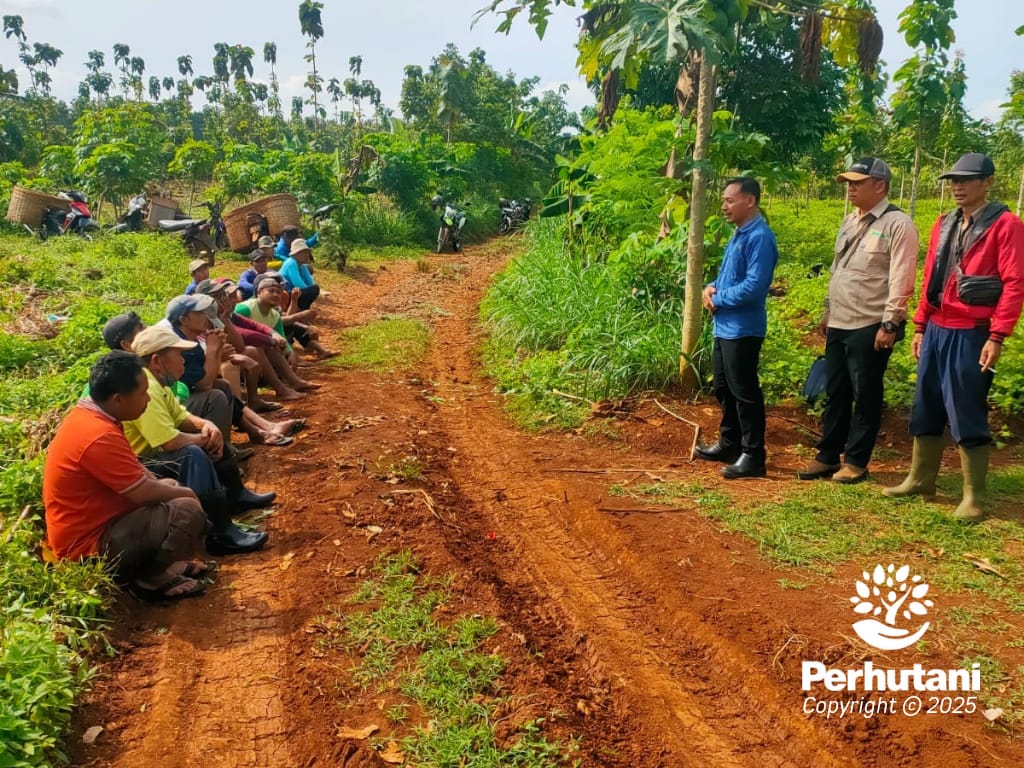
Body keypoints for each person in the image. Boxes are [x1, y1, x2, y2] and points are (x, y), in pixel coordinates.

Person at [884, 153, 1024, 520]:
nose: (957, 187)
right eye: (953, 181)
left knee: (966, 407)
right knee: (927, 403)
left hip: (972, 331)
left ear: (988, 182)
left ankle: (973, 496)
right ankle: (920, 478)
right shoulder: (944, 223)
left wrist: (997, 335)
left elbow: (1014, 283)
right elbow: (932, 276)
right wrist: (920, 325)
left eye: (966, 180)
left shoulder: (1006, 225)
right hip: (936, 328)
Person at [43, 351, 209, 601]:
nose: (148, 399)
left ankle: (160, 566)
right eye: (142, 393)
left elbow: (140, 475)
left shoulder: (94, 418)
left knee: (170, 487)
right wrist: (186, 493)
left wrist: (173, 489)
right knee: (186, 510)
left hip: (105, 526)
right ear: (118, 399)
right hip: (88, 551)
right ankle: (149, 579)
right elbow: (142, 493)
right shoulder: (98, 435)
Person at [798, 158, 919, 485]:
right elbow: (837, 269)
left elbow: (902, 277)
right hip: (840, 320)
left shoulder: (898, 224)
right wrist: (828, 310)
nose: (850, 188)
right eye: (848, 183)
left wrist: (890, 323)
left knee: (865, 393)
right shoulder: (850, 221)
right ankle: (827, 456)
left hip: (871, 323)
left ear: (880, 185)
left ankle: (856, 461)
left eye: (857, 183)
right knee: (836, 391)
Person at [124, 326, 272, 554]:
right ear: (157, 361)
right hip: (144, 466)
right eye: (178, 354)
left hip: (156, 455)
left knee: (208, 437)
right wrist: (203, 438)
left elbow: (181, 417)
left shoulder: (158, 383)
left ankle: (235, 498)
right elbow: (169, 442)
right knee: (192, 454)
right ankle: (218, 533)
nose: (183, 360)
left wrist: (206, 426)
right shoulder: (148, 389)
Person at [695, 177, 779, 479]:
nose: (724, 206)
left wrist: (719, 298)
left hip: (744, 329)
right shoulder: (739, 234)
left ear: (750, 201)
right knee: (723, 387)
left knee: (745, 392)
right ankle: (730, 443)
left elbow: (755, 287)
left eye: (730, 200)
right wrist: (711, 287)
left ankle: (753, 455)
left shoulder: (760, 237)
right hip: (724, 327)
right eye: (724, 200)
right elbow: (729, 277)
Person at [166, 294, 304, 446]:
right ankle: (223, 450)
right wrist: (213, 351)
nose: (205, 316)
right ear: (183, 320)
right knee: (215, 395)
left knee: (222, 385)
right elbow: (204, 385)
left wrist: (217, 350)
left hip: (184, 395)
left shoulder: (190, 337)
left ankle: (258, 431)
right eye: (198, 313)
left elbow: (209, 376)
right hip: (172, 405)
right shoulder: (179, 343)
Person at [279, 238, 321, 310]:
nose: (306, 255)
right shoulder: (291, 263)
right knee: (313, 290)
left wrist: (310, 290)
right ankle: (298, 309)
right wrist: (309, 291)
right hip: (285, 294)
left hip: (293, 293)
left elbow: (310, 282)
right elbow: (298, 284)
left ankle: (301, 308)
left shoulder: (302, 265)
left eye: (307, 253)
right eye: (303, 253)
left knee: (314, 289)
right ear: (295, 253)